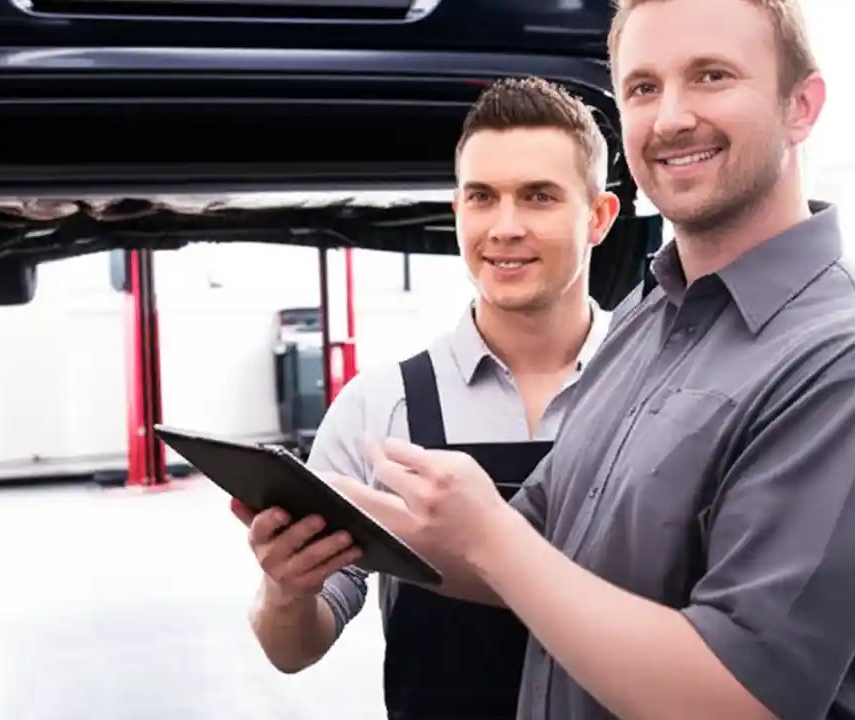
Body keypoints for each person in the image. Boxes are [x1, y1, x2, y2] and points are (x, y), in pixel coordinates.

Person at [328, 1, 855, 719]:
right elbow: (541, 549)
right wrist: (353, 532)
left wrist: (489, 536)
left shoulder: (853, 367)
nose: (671, 118)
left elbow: (739, 698)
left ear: (801, 107)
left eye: (712, 76)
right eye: (643, 88)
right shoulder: (648, 315)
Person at [232, 77, 622, 717]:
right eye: (482, 197)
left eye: (539, 197)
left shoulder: (662, 390)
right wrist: (285, 592)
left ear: (599, 218)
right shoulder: (378, 407)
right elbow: (292, 651)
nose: (505, 227)